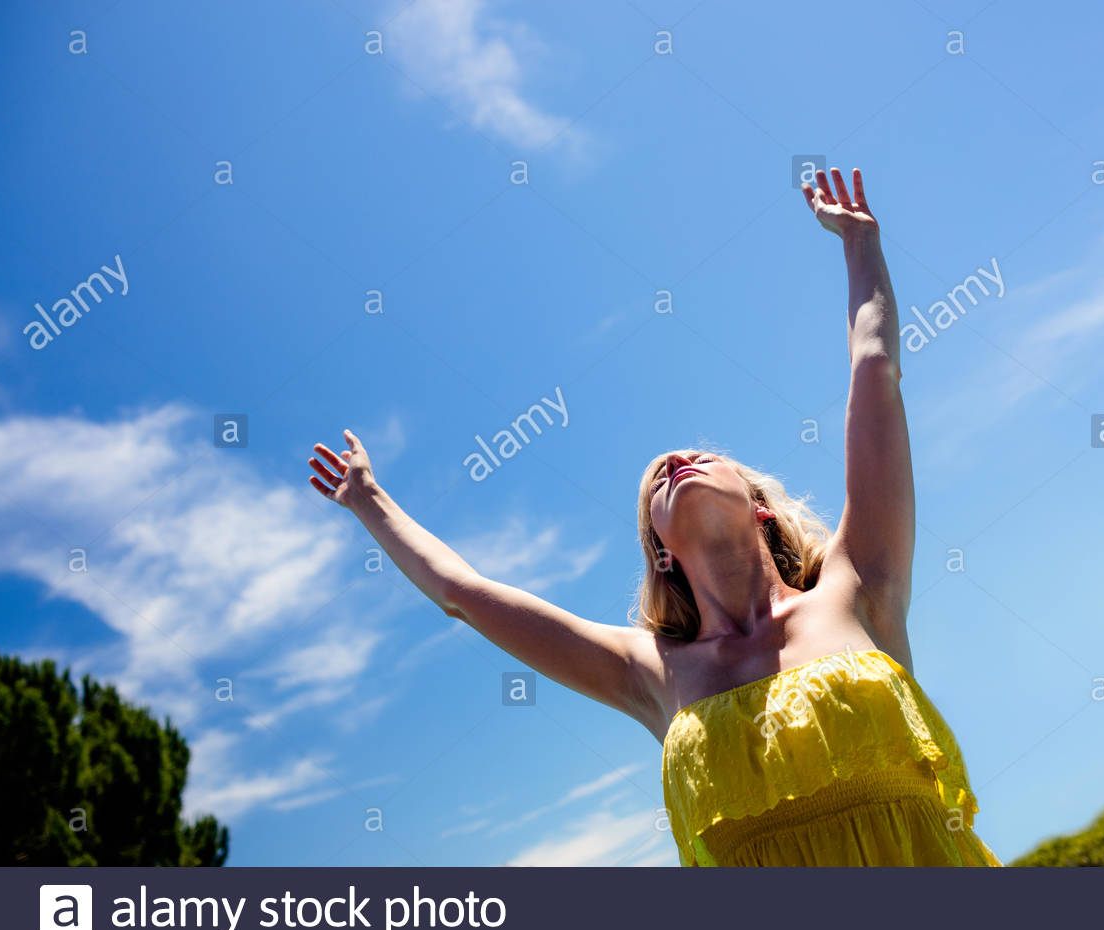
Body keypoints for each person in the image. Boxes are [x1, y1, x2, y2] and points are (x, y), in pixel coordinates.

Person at [307, 166, 1002, 867]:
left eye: (697, 456)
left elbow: (874, 367)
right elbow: (463, 595)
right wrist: (369, 500)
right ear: (660, 551)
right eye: (655, 484)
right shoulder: (651, 671)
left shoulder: (860, 585)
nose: (672, 462)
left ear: (759, 506)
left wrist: (859, 244)